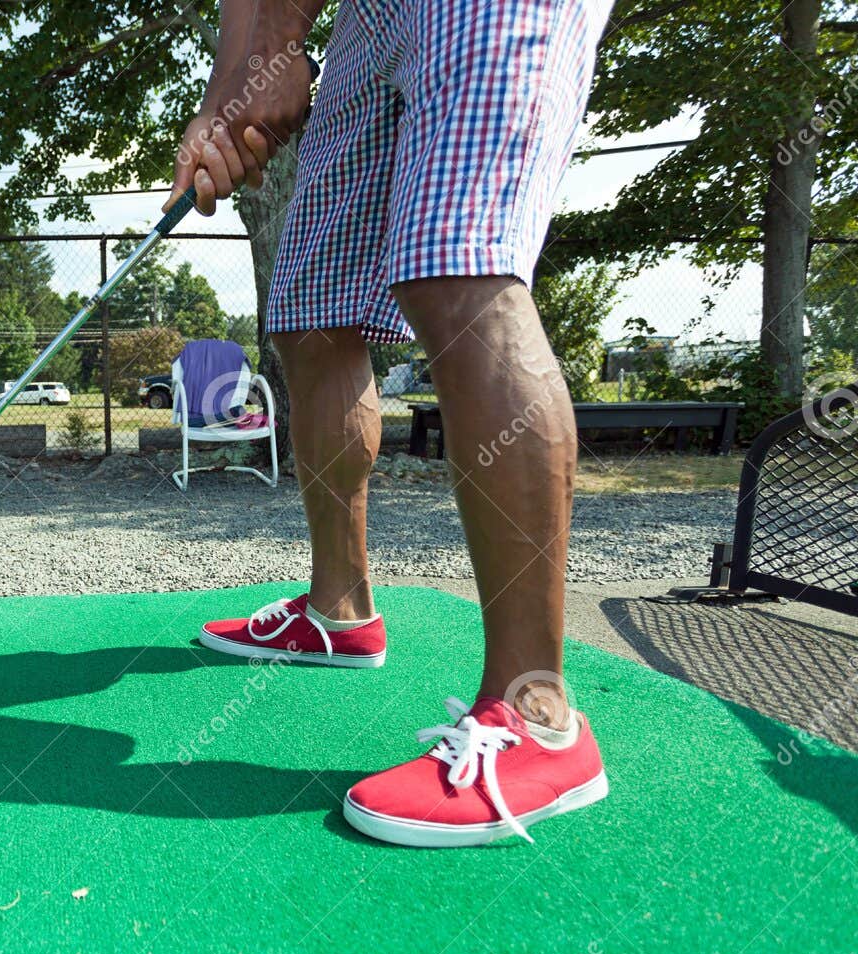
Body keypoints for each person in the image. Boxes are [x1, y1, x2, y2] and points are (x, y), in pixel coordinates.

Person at [168, 0, 613, 847]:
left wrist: (274, 48)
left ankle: (540, 713)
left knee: (456, 258)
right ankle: (339, 612)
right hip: (367, 16)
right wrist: (235, 89)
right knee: (311, 312)